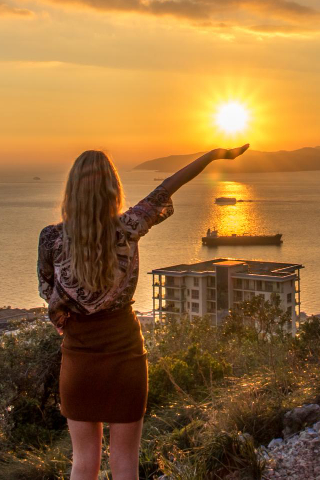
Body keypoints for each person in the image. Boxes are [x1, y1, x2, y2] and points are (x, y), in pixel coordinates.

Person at [37, 144, 249, 480]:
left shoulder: (51, 238)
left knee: (83, 460)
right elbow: (167, 187)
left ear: (72, 190)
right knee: (125, 462)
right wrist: (212, 156)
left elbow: (47, 291)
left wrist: (67, 322)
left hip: (78, 355)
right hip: (124, 351)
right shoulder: (129, 226)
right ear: (112, 189)